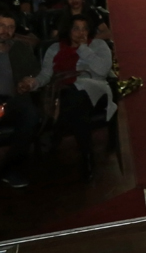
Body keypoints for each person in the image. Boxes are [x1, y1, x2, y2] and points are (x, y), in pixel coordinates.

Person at [36, 14, 114, 181]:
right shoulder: (55, 49)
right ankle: (87, 157)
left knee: (74, 97)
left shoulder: (99, 45)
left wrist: (84, 48)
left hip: (95, 89)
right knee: (76, 103)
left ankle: (53, 140)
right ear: (68, 30)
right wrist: (32, 83)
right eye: (76, 28)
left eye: (84, 28)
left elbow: (102, 71)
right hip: (67, 92)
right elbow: (45, 75)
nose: (80, 32)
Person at [0, 10, 39, 188]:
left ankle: (8, 167)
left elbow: (35, 73)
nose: (5, 31)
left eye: (10, 27)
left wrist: (28, 82)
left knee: (30, 113)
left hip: (12, 100)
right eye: (1, 26)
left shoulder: (20, 49)